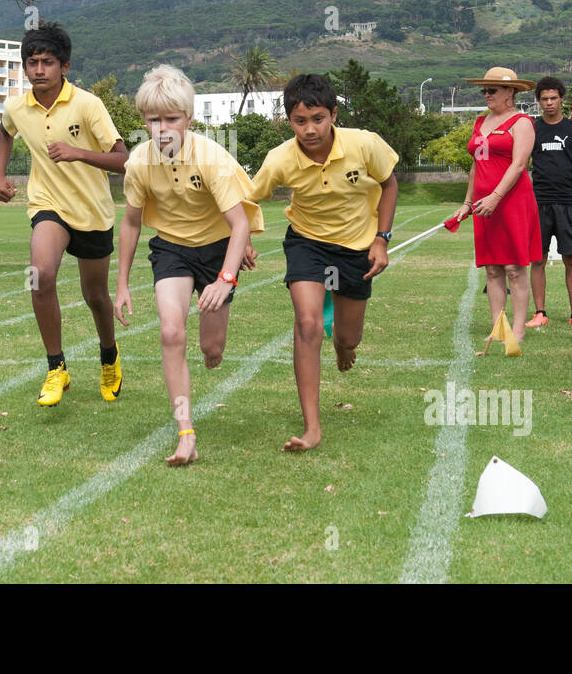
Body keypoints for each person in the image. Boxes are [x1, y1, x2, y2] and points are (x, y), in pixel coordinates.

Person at [114, 66, 263, 465]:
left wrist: (226, 276)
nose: (162, 129)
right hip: (172, 250)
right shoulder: (139, 163)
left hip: (217, 249)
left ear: (189, 120)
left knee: (211, 349)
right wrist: (122, 284)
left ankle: (213, 343)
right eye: (152, 120)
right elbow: (130, 222)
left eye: (171, 119)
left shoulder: (212, 158)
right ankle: (186, 434)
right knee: (170, 332)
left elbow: (239, 223)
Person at [247, 74, 398, 452]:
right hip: (307, 243)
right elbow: (249, 198)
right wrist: (243, 239)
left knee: (348, 337)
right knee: (308, 323)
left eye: (317, 118)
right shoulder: (280, 159)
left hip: (357, 249)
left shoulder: (364, 145)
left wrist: (382, 239)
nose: (310, 129)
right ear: (289, 121)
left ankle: (343, 346)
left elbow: (389, 183)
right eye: (300, 121)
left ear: (333, 114)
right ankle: (312, 427)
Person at [0, 22, 128, 406]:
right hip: (47, 205)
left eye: (47, 62)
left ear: (64, 67)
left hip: (92, 211)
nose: (39, 69)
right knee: (40, 275)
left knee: (96, 296)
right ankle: (57, 368)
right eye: (32, 62)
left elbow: (124, 160)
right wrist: (0, 177)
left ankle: (109, 356)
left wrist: (79, 153)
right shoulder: (18, 106)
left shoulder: (87, 105)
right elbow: (5, 133)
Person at [452, 67, 540, 347]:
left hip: (511, 200)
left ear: (510, 92)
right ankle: (497, 327)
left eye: (492, 90)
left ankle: (518, 329)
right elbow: (477, 167)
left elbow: (518, 165)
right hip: (482, 204)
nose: (487, 94)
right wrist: (467, 202)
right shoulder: (480, 122)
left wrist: (496, 197)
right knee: (491, 269)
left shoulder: (522, 122)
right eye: (484, 90)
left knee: (514, 267)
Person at [526, 75, 572, 328]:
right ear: (538, 102)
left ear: (562, 99)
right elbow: (521, 166)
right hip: (538, 203)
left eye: (553, 98)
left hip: (568, 202)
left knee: (571, 260)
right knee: (537, 259)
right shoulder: (531, 129)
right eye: (544, 99)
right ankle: (540, 312)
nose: (549, 103)